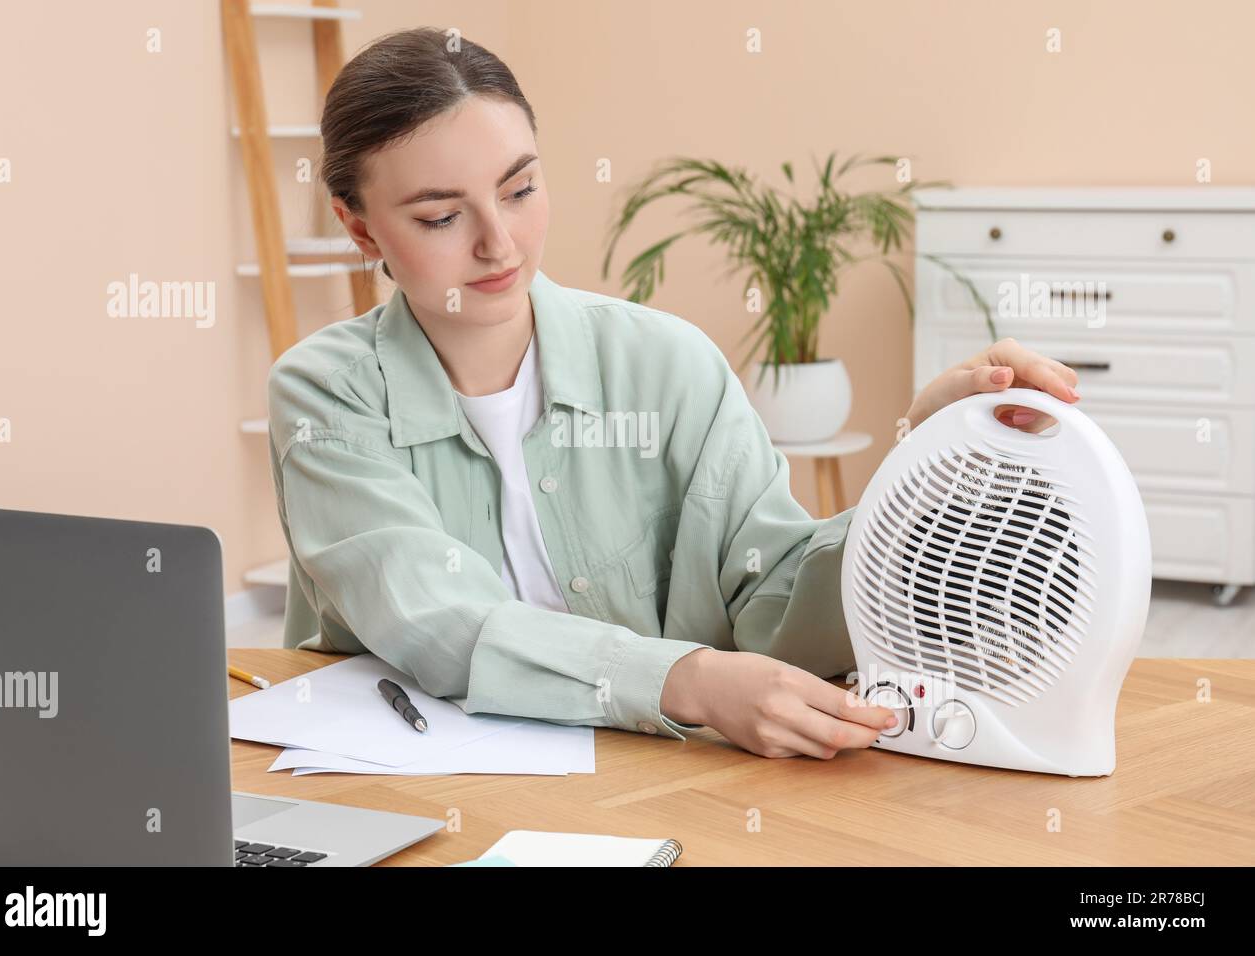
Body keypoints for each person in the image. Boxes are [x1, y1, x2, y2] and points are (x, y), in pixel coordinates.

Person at [266, 26, 1080, 761]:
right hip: (400, 794)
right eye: (442, 217)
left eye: (519, 189)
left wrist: (925, 468)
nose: (500, 242)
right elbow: (435, 623)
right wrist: (687, 681)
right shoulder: (325, 396)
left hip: (656, 784)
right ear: (361, 227)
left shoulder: (666, 364)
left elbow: (774, 597)